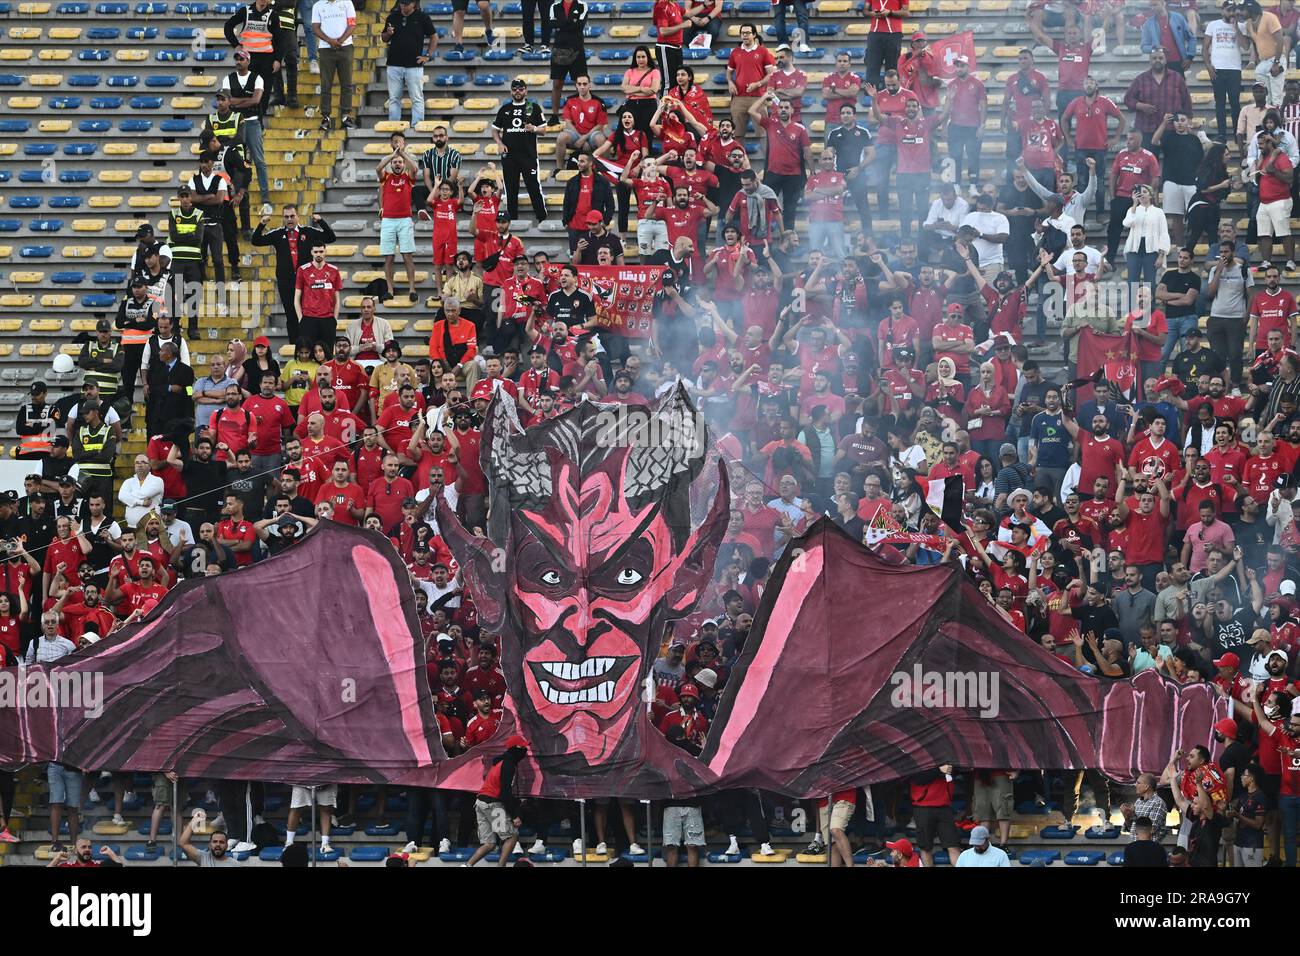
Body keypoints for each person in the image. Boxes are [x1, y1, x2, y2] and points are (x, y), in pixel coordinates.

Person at [465, 734, 529, 866]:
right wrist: (515, 815)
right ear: (515, 749)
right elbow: (505, 793)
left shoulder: (501, 762)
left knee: (489, 844)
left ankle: (466, 865)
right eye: (523, 747)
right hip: (492, 803)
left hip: (480, 802)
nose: (525, 750)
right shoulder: (508, 764)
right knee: (511, 836)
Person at [493, 79, 548, 223]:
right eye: (515, 89)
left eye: (521, 89)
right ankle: (512, 220)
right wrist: (499, 143)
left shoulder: (533, 107)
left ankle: (542, 218)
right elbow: (494, 130)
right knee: (511, 190)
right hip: (509, 157)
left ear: (526, 90)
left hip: (528, 156)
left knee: (534, 188)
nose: (518, 91)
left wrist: (534, 129)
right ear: (511, 91)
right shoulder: (504, 109)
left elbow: (544, 130)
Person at [382, 0, 436, 127]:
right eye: (402, 3)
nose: (403, 6)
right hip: (394, 64)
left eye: (406, 4)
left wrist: (427, 55)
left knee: (416, 98)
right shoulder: (392, 17)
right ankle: (394, 125)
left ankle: (417, 125)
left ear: (414, 4)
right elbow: (384, 38)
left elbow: (434, 36)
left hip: (414, 64)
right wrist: (388, 33)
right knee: (394, 98)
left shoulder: (422, 17)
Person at [311, 0, 356, 131]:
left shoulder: (347, 2)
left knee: (346, 83)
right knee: (326, 84)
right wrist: (330, 41)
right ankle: (326, 117)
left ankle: (346, 116)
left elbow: (352, 24)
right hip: (325, 48)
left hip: (345, 46)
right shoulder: (318, 5)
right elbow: (315, 27)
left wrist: (340, 40)